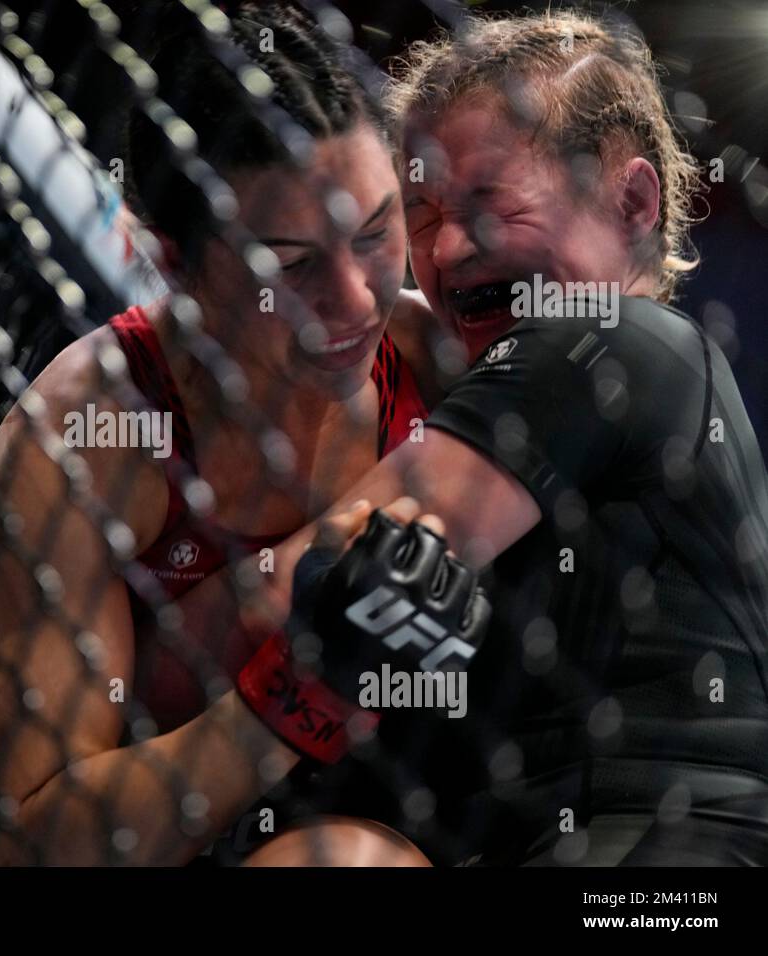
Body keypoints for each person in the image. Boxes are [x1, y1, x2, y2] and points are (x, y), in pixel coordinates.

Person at [249, 10, 768, 865]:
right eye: (419, 213)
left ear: (632, 203)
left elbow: (276, 597)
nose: (447, 248)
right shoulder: (558, 437)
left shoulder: (608, 340)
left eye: (490, 202)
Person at [0, 2, 447, 866]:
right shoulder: (90, 435)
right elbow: (29, 843)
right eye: (291, 266)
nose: (356, 300)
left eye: (377, 234)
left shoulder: (441, 365)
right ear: (175, 265)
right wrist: (297, 689)